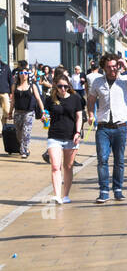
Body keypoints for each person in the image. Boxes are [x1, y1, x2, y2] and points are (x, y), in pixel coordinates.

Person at [88, 54, 127, 203]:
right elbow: (90, 100)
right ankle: (103, 191)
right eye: (109, 66)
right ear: (104, 67)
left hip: (121, 126)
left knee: (119, 160)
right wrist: (90, 114)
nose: (112, 69)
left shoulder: (125, 81)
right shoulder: (97, 82)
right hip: (103, 127)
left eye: (115, 66)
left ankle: (118, 189)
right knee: (102, 159)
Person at [45, 72, 82, 204]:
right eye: (60, 86)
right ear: (55, 86)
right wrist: (45, 118)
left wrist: (78, 132)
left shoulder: (75, 98)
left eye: (65, 86)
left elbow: (79, 117)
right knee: (55, 166)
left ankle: (65, 195)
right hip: (54, 136)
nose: (63, 89)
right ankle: (57, 195)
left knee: (68, 166)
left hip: (71, 137)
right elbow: (45, 116)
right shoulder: (49, 100)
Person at [10, 68, 45, 158]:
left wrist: (43, 111)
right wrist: (10, 112)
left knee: (26, 132)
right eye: (22, 73)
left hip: (29, 113)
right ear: (19, 75)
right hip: (17, 112)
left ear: (28, 75)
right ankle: (25, 148)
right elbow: (13, 100)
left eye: (26, 73)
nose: (24, 74)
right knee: (18, 133)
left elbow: (38, 99)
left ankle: (24, 151)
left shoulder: (32, 86)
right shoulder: (15, 86)